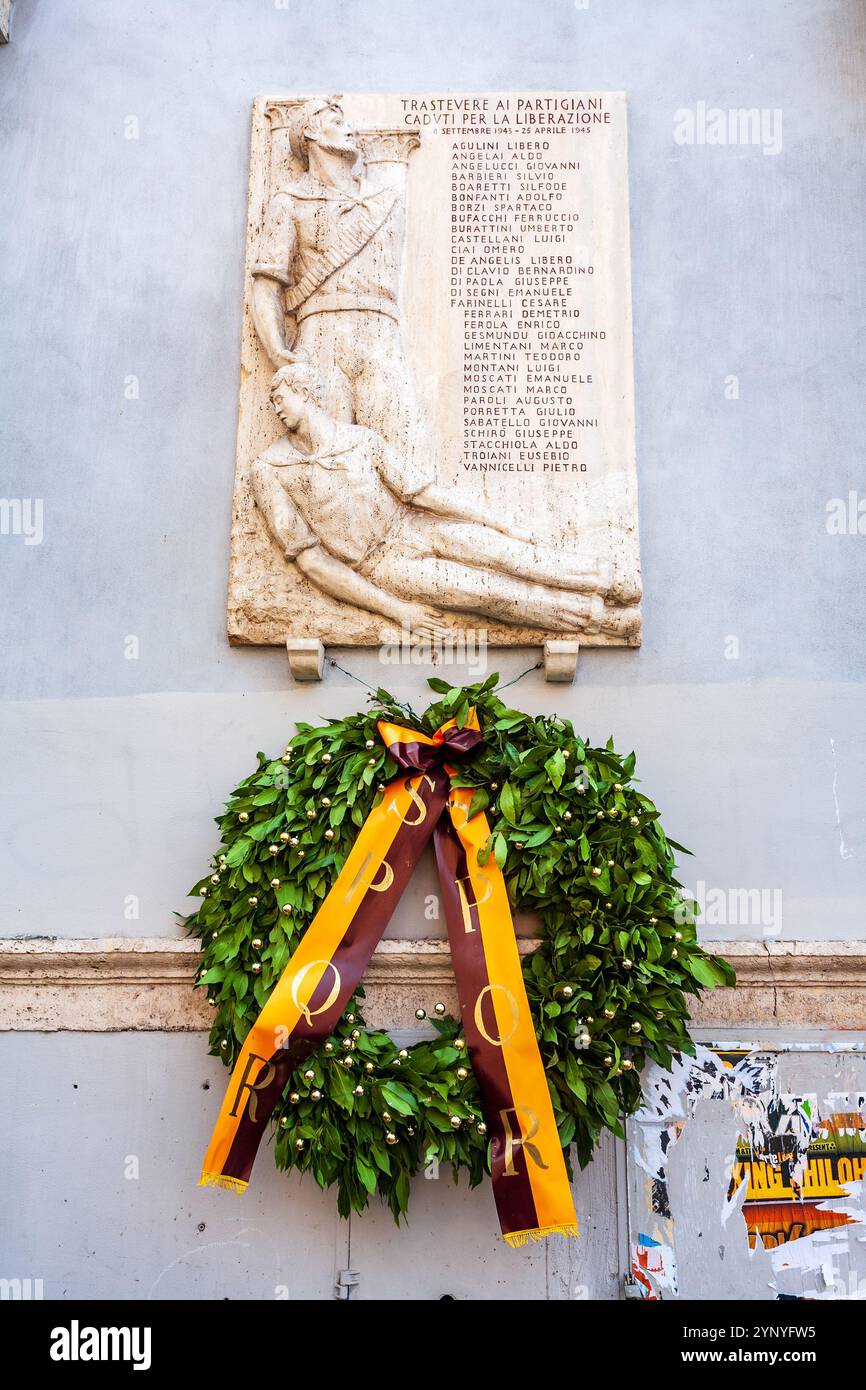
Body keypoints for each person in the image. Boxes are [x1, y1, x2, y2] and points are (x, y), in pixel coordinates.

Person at [251, 364, 640, 639]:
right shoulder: (270, 469)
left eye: (280, 397)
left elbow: (421, 492)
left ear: (306, 393)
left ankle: (605, 580)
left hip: (413, 525)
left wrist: (497, 522)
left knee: (508, 553)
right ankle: (599, 619)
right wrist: (398, 611)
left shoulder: (362, 441)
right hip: (381, 565)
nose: (275, 407)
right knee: (487, 592)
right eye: (270, 401)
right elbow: (312, 562)